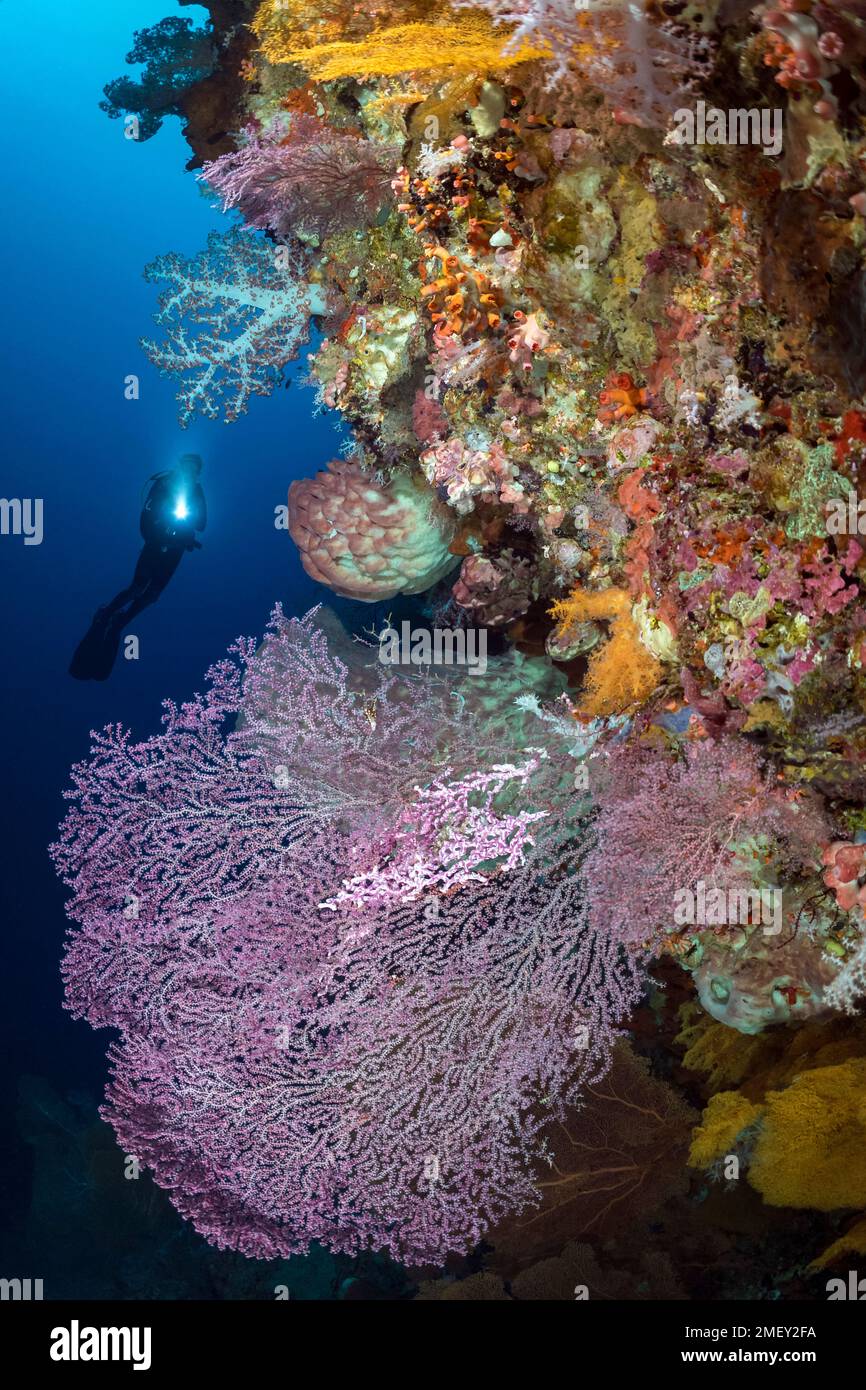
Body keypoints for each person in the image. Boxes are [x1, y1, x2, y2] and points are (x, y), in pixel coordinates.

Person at [69, 455, 207, 681]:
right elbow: (147, 516)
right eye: (187, 468)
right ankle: (107, 614)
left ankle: (120, 623)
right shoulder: (163, 483)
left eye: (194, 470)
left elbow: (201, 523)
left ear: (197, 473)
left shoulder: (196, 491)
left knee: (152, 595)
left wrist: (189, 520)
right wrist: (159, 529)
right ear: (180, 466)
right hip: (155, 543)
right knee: (138, 586)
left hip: (176, 549)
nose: (189, 473)